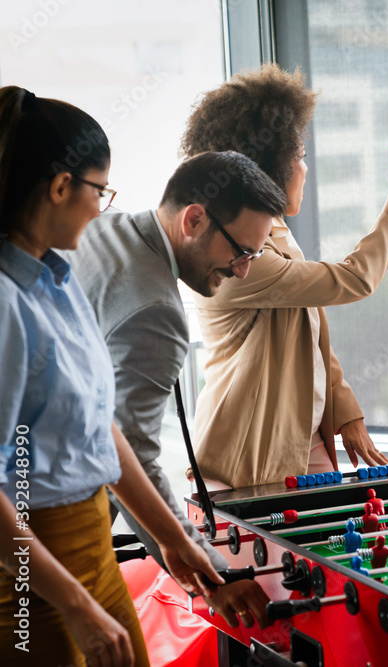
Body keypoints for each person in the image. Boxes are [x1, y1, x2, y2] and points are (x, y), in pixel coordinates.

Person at [0, 87, 223, 666]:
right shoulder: (5, 302)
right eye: (98, 190)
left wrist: (173, 539)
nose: (103, 207)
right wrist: (74, 603)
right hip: (29, 573)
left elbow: (103, 426)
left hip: (91, 549)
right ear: (58, 188)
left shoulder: (58, 275)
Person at [68, 151, 288, 629]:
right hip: (53, 529)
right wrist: (215, 574)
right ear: (194, 219)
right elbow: (131, 457)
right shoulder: (156, 312)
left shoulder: (104, 229)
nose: (243, 270)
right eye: (242, 252)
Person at [179, 65, 388, 488]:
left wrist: (346, 412)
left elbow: (306, 324)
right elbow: (352, 279)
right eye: (299, 156)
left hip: (307, 438)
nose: (305, 168)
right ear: (267, 169)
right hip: (252, 451)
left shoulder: (274, 232)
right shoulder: (241, 259)